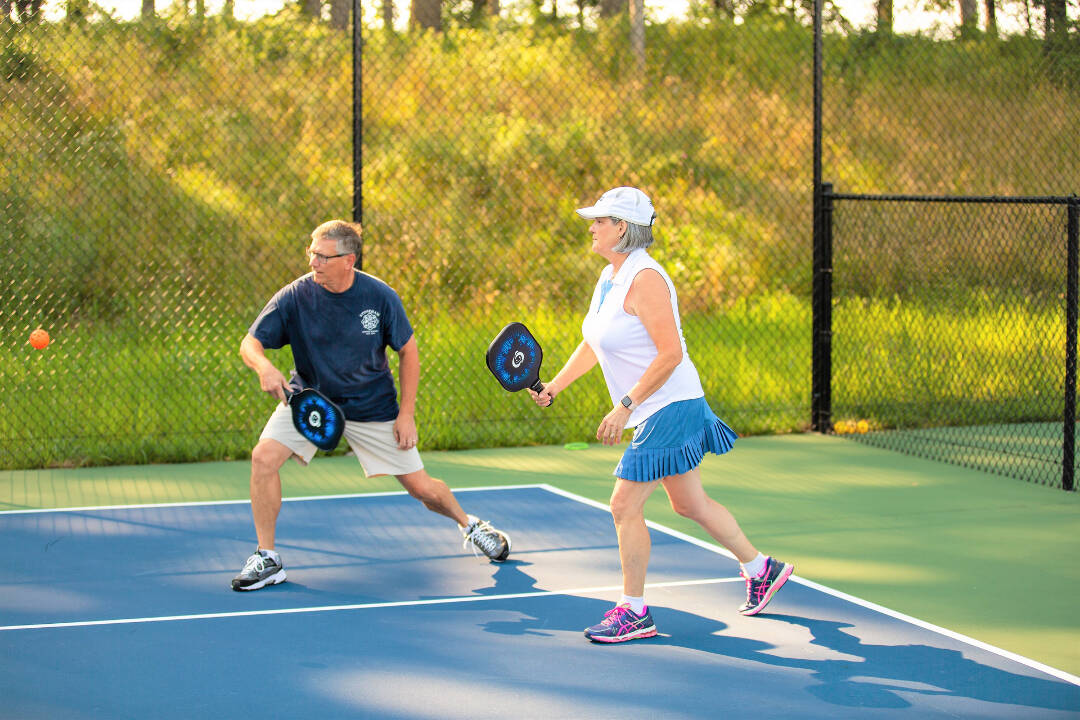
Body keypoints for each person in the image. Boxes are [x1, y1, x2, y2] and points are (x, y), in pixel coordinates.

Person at [528, 187, 793, 642]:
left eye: (600, 220)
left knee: (623, 504)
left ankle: (634, 611)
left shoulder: (646, 279)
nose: (591, 227)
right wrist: (555, 384)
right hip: (660, 406)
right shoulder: (610, 276)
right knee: (689, 504)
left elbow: (670, 354)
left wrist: (624, 405)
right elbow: (594, 342)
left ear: (623, 229)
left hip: (669, 405)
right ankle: (761, 568)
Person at [232, 220, 511, 591]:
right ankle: (267, 557)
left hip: (373, 407)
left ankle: (471, 525)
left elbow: (408, 351)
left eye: (322, 256)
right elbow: (250, 343)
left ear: (348, 260)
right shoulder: (295, 295)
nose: (313, 262)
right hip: (311, 402)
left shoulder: (379, 296)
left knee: (423, 489)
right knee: (263, 458)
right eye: (311, 253)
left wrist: (406, 414)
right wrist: (264, 366)